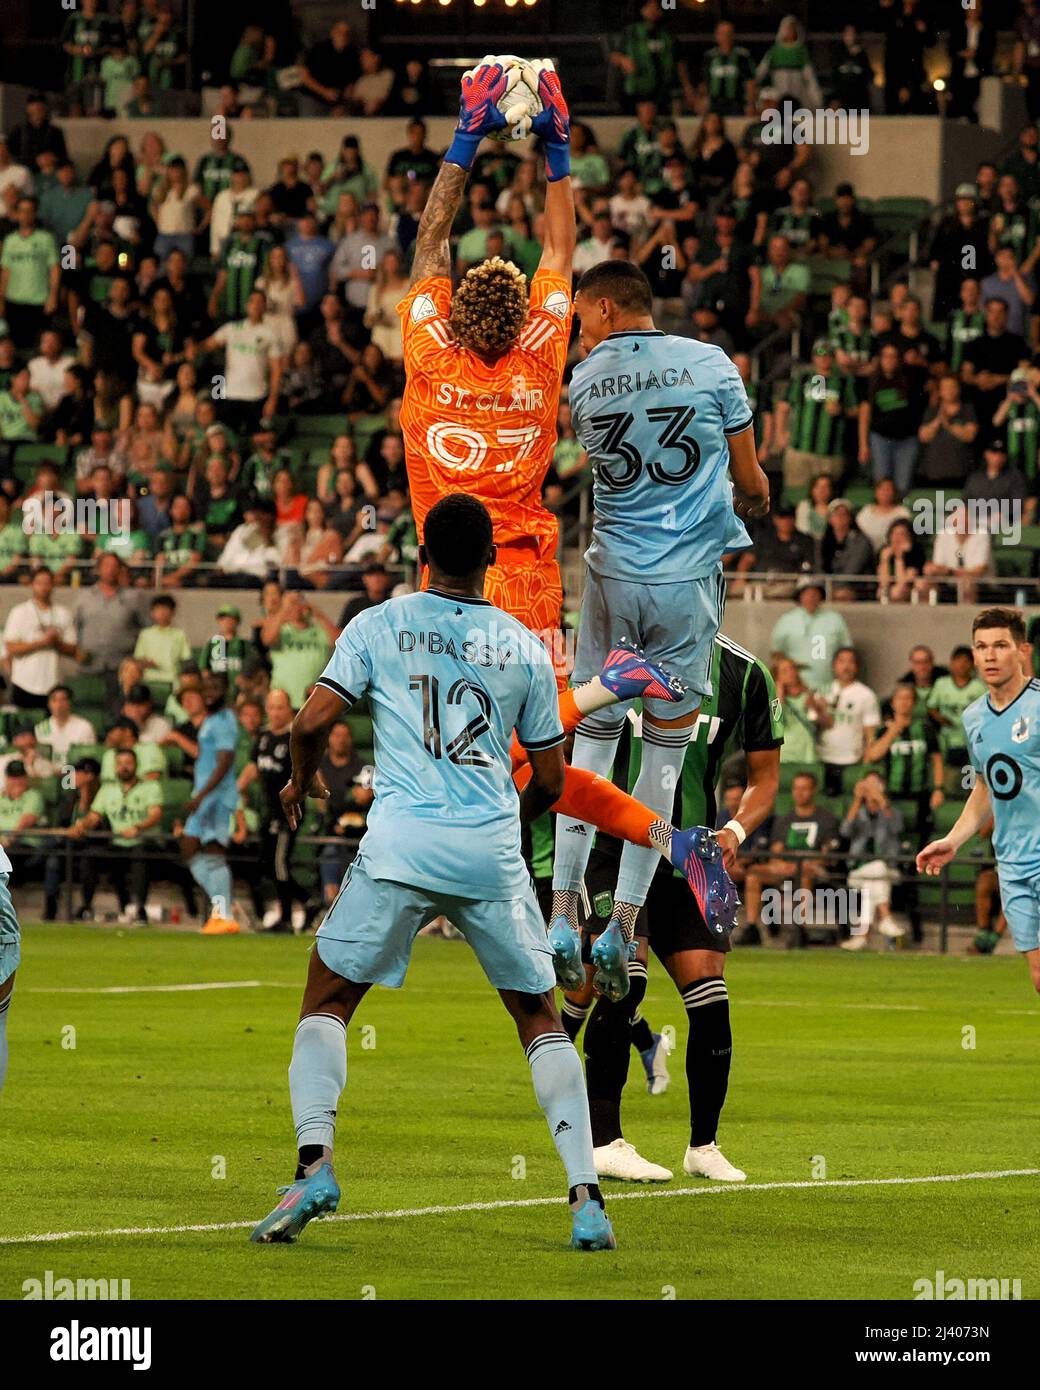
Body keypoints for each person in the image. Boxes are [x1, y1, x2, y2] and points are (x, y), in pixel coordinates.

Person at [396, 60, 717, 957]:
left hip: (449, 582)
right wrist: (557, 149)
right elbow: (562, 254)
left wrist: (465, 138)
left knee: (481, 753)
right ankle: (656, 842)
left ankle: (608, 695)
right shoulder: (543, 356)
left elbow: (430, 246)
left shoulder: (430, 357)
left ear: (452, 315)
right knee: (534, 756)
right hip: (530, 573)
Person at [250, 493, 616, 1252]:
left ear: (424, 552)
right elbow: (551, 777)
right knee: (536, 1015)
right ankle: (586, 1198)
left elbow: (309, 721)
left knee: (329, 995)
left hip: (400, 847)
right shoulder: (519, 643)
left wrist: (299, 778)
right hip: (488, 850)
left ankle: (314, 1164)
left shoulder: (378, 623)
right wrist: (508, 830)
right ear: (491, 560)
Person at [548, 252, 769, 997]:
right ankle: (623, 925)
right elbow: (750, 480)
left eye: (582, 319)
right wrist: (756, 501)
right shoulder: (714, 365)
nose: (579, 335)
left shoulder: (582, 384)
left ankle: (562, 910)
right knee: (663, 764)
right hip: (684, 589)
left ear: (607, 310)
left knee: (593, 748)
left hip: (610, 579)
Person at [561, 632, 782, 1182]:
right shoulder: (605, 659)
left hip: (689, 856)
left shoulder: (743, 672)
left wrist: (734, 830)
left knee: (711, 1000)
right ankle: (605, 1139)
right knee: (620, 979)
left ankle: (702, 1146)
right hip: (612, 848)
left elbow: (765, 779)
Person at [918, 610, 1039, 988]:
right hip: (1013, 866)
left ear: (1022, 651)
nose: (990, 656)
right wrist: (953, 840)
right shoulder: (973, 718)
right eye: (982, 647)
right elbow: (987, 786)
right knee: (1038, 978)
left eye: (1000, 646)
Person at [238, 688, 311, 934]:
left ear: (289, 709)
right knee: (266, 864)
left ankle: (287, 919)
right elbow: (253, 767)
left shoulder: (295, 739)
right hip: (269, 811)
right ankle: (308, 899)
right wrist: (238, 790)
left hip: (290, 811)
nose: (276, 712)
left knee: (280, 862)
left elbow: (308, 772)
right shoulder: (263, 738)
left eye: (281, 707)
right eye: (272, 707)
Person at [177, 671, 242, 935]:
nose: (211, 691)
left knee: (214, 853)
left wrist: (201, 795)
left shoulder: (224, 720)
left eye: (216, 687)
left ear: (224, 690)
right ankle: (224, 907)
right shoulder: (212, 719)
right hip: (207, 796)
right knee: (188, 849)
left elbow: (225, 762)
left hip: (217, 798)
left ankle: (223, 914)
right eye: (207, 687)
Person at [68, 747, 161, 924]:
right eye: (120, 764)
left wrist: (138, 828)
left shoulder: (150, 787)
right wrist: (81, 825)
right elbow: (95, 815)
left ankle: (140, 908)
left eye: (128, 763)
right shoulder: (107, 790)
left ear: (136, 765)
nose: (124, 767)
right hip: (117, 842)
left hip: (142, 841)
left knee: (140, 855)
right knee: (90, 855)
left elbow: (155, 814)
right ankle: (85, 906)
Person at [840, 772, 905, 950]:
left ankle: (862, 935)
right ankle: (885, 917)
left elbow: (897, 828)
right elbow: (845, 831)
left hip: (888, 870)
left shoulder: (892, 811)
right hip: (858, 871)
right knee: (875, 873)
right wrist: (856, 801)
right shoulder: (858, 811)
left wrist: (881, 802)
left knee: (876, 872)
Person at [2, 566, 81, 709]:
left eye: (47, 583)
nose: (44, 587)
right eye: (39, 583)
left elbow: (73, 649)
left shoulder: (63, 613)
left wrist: (55, 642)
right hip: (23, 682)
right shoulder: (19, 612)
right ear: (32, 585)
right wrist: (41, 642)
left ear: (53, 585)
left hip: (54, 683)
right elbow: (11, 647)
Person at [815, 647, 881, 797]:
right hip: (823, 758)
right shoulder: (822, 691)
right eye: (841, 661)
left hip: (851, 759)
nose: (846, 666)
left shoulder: (866, 695)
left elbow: (871, 732)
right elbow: (814, 725)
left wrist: (867, 760)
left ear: (857, 667)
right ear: (834, 665)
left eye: (851, 662)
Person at [769, 579, 852, 691]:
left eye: (815, 593)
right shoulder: (786, 620)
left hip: (829, 687)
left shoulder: (835, 619)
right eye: (807, 593)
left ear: (821, 596)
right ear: (800, 596)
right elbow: (776, 655)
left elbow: (847, 652)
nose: (811, 597)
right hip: (794, 691)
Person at [133, 593, 192, 685]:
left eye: (165, 609)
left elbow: (186, 658)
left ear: (173, 612)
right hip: (149, 679)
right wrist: (146, 663)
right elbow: (138, 658)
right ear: (152, 613)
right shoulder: (145, 634)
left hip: (173, 680)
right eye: (158, 610)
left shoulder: (179, 634)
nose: (162, 613)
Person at [36, 684, 97, 764]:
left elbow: (88, 758)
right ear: (49, 704)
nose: (58, 705)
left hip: (75, 770)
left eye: (62, 700)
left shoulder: (84, 726)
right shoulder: (41, 727)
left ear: (69, 703)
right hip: (50, 772)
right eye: (54, 700)